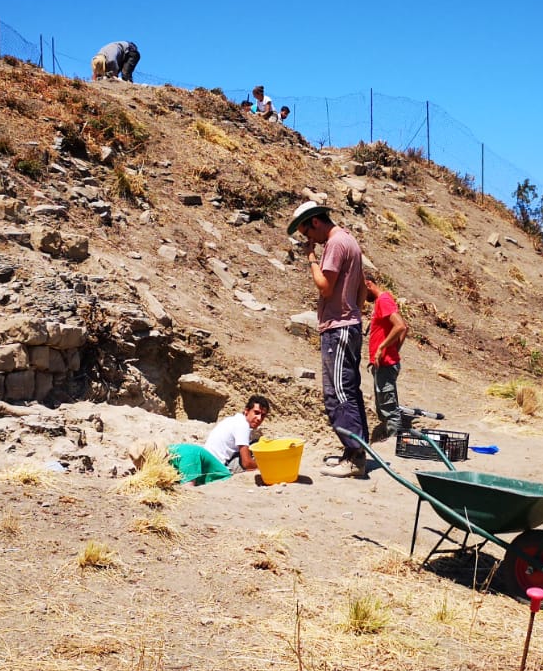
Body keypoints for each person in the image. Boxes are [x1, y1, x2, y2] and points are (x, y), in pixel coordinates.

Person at [288, 200, 369, 477]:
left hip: (338, 328)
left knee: (338, 392)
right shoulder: (350, 240)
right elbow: (362, 287)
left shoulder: (334, 244)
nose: (310, 240)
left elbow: (324, 287)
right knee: (351, 389)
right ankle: (356, 451)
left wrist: (311, 259)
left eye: (307, 233)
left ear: (315, 222)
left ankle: (355, 458)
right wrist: (355, 312)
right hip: (350, 325)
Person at [167, 395, 271, 485]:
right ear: (246, 411)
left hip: (208, 458)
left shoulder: (233, 420)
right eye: (256, 413)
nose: (259, 418)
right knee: (256, 448)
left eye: (263, 415)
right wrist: (265, 467)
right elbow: (246, 463)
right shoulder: (242, 425)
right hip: (216, 465)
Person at [361, 275, 408, 441]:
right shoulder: (381, 302)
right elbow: (404, 328)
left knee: (389, 408)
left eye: (361, 290)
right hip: (383, 363)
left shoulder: (383, 300)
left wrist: (383, 348)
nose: (362, 296)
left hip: (386, 364)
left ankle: (394, 442)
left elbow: (401, 326)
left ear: (368, 284)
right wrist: (392, 349)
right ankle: (386, 438)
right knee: (383, 406)